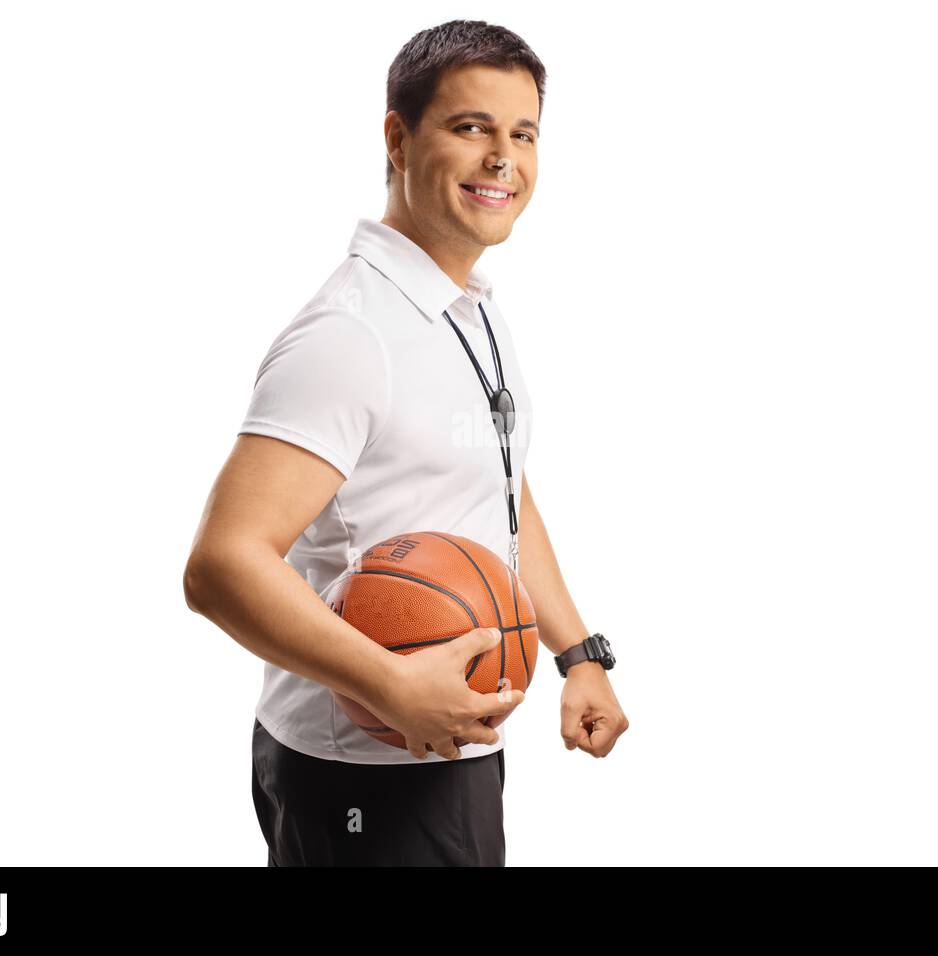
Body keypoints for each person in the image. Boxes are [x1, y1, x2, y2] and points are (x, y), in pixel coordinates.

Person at [183, 19, 629, 867]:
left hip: (450, 742)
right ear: (398, 137)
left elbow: (497, 482)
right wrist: (389, 683)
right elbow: (220, 565)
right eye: (471, 128)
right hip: (363, 769)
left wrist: (577, 653)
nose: (503, 158)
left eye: (523, 133)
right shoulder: (351, 336)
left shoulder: (469, 308)